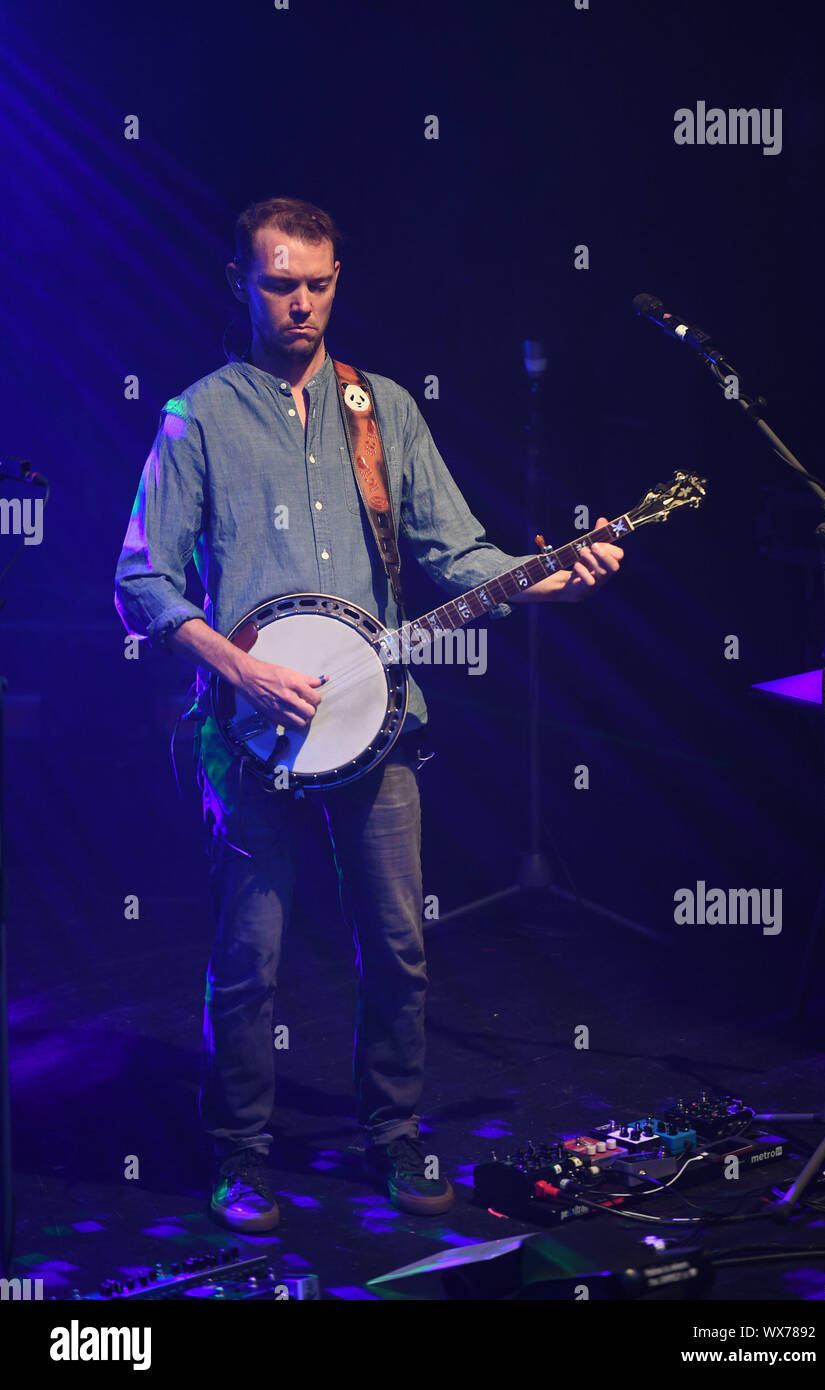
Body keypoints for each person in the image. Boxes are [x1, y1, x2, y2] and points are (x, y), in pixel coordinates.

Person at [114, 196, 624, 1234]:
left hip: (379, 726)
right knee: (248, 956)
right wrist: (238, 668)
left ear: (338, 279)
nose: (300, 303)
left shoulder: (379, 406)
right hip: (247, 731)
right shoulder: (195, 415)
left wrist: (554, 581)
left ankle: (392, 1138)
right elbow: (141, 576)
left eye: (318, 283)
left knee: (396, 946)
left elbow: (461, 553)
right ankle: (243, 1156)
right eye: (278, 284)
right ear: (239, 283)